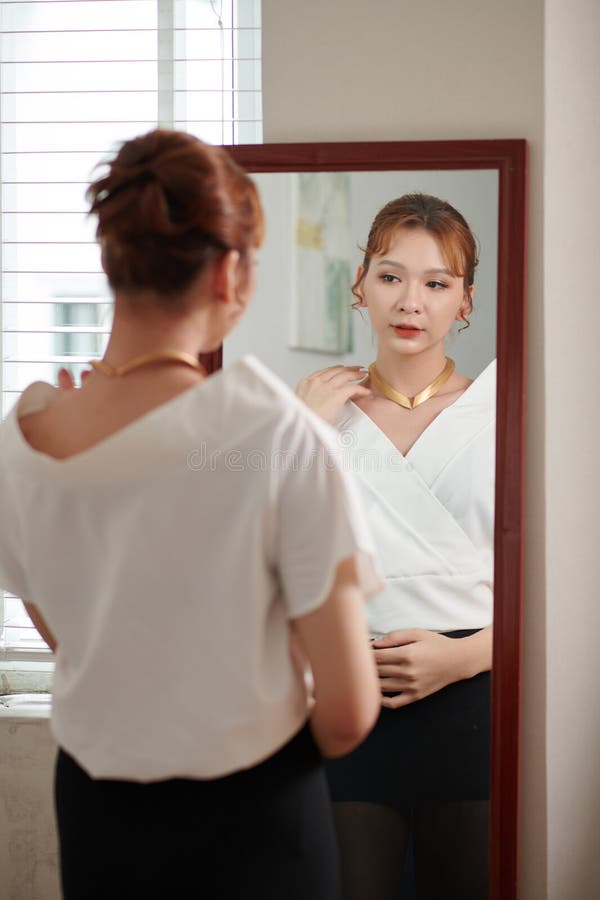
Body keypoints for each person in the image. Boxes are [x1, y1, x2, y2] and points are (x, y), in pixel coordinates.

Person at [0, 129, 382, 900]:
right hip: (256, 826)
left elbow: (73, 635)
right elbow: (346, 713)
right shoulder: (277, 436)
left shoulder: (25, 437)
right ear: (230, 272)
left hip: (98, 817)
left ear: (116, 264)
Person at [296, 193, 495, 900]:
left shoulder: (507, 411)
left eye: (436, 283)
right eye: (390, 276)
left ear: (465, 301)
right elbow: (266, 563)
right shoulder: (316, 410)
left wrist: (464, 656)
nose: (411, 301)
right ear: (361, 287)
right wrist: (303, 436)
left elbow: (557, 586)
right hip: (349, 697)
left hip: (474, 697)